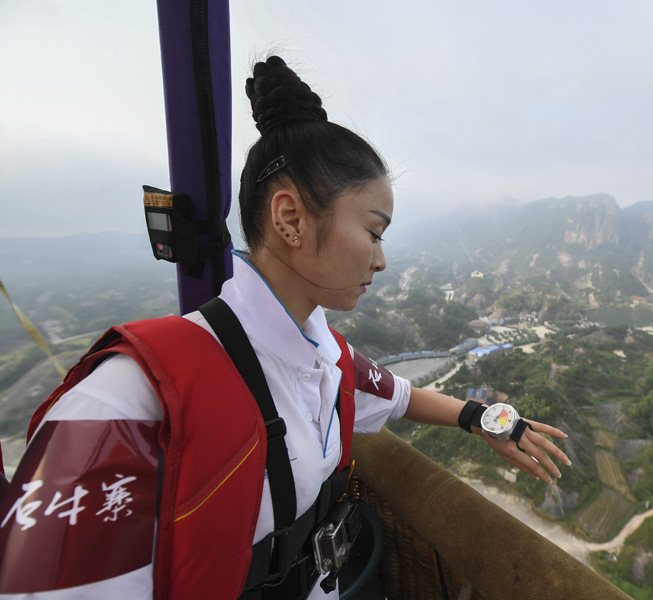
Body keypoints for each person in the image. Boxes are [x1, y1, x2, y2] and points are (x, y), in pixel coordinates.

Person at [0, 56, 569, 600]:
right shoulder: (128, 402)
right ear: (290, 218)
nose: (381, 260)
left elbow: (399, 396)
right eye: (374, 233)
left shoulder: (327, 357)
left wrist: (487, 421)